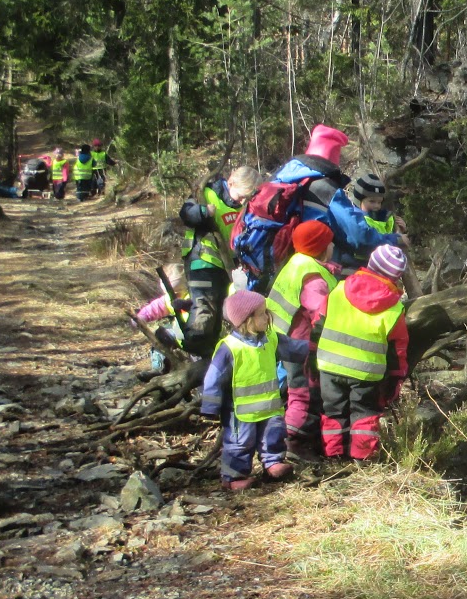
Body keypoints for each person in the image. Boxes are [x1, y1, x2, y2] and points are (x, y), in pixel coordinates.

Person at [200, 290, 309, 491]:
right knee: (239, 443)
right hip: (239, 411)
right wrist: (210, 406)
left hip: (270, 406)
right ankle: (233, 477)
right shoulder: (230, 348)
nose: (267, 317)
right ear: (246, 320)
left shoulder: (271, 339)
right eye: (261, 313)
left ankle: (273, 462)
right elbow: (213, 378)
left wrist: (316, 348)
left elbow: (295, 349)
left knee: (273, 435)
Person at [316, 244, 409, 462]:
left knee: (333, 411)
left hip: (329, 364)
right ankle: (362, 458)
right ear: (396, 277)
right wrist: (397, 377)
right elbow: (398, 349)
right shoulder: (394, 308)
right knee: (364, 414)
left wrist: (311, 358)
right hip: (366, 372)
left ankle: (334, 455)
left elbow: (318, 323)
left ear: (370, 264)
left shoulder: (339, 289)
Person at [265, 220, 339, 459]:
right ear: (321, 247)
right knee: (305, 393)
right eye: (330, 242)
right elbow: (321, 311)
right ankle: (295, 442)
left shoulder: (295, 263)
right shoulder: (313, 277)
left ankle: (293, 438)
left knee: (296, 390)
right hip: (302, 344)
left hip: (282, 337)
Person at [269, 126, 390, 266]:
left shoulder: (282, 177)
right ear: (333, 160)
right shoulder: (325, 188)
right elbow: (357, 235)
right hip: (315, 265)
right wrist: (393, 240)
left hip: (280, 261)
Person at [179, 165, 261, 359]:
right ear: (231, 182)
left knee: (217, 307)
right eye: (240, 196)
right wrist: (203, 211)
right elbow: (186, 213)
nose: (242, 201)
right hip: (202, 260)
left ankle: (209, 351)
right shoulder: (207, 193)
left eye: (246, 199)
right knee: (204, 304)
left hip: (225, 266)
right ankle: (194, 343)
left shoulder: (243, 207)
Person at [135, 262, 192, 366]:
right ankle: (158, 367)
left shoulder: (195, 295)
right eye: (173, 294)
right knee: (161, 335)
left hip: (200, 335)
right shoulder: (169, 299)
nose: (176, 296)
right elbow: (155, 308)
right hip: (179, 334)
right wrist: (140, 317)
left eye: (179, 292)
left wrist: (187, 304)